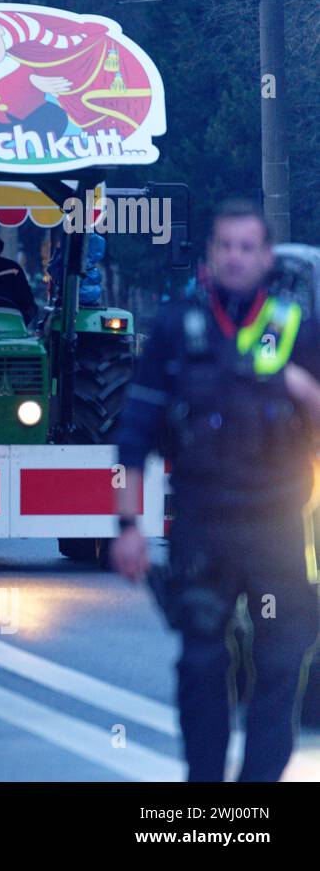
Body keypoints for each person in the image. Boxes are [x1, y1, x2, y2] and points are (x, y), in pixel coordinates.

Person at [112, 198, 320, 782]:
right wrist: (127, 528)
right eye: (224, 246)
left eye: (247, 247)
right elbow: (135, 437)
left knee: (280, 665)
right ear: (210, 254)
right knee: (203, 664)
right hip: (203, 527)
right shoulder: (179, 328)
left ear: (265, 256)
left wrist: (300, 387)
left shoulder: (296, 327)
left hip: (278, 529)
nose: (235, 257)